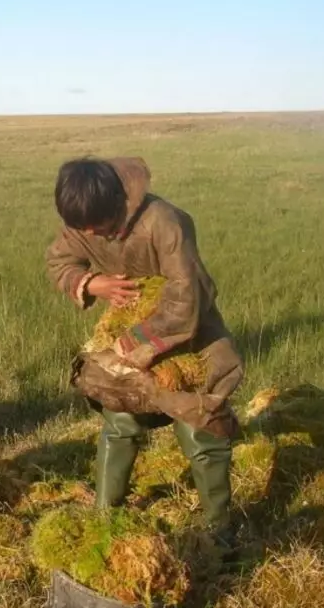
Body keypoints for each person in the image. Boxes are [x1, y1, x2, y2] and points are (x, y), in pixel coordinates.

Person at [46, 157, 244, 545]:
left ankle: (220, 532)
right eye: (80, 227)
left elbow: (188, 295)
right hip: (125, 325)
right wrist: (92, 283)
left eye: (95, 226)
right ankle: (105, 518)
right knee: (120, 419)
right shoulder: (83, 220)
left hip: (190, 333)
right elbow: (59, 261)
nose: (88, 233)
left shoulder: (164, 222)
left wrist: (139, 341)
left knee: (199, 424)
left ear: (117, 202)